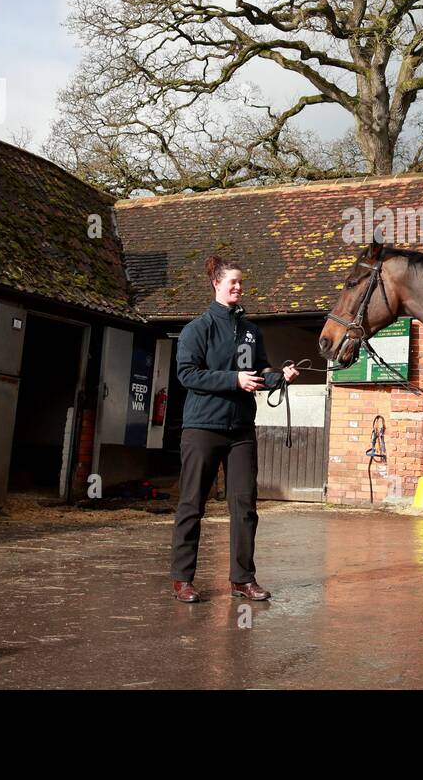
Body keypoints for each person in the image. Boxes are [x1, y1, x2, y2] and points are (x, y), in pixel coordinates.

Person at [170, 254, 300, 602]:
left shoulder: (250, 332)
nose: (239, 287)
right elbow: (187, 374)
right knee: (192, 504)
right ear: (217, 284)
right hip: (202, 428)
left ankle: (243, 579)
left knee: (245, 506)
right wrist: (233, 379)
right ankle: (183, 579)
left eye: (241, 283)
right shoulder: (198, 329)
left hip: (241, 429)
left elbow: (258, 373)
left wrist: (278, 377)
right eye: (233, 282)